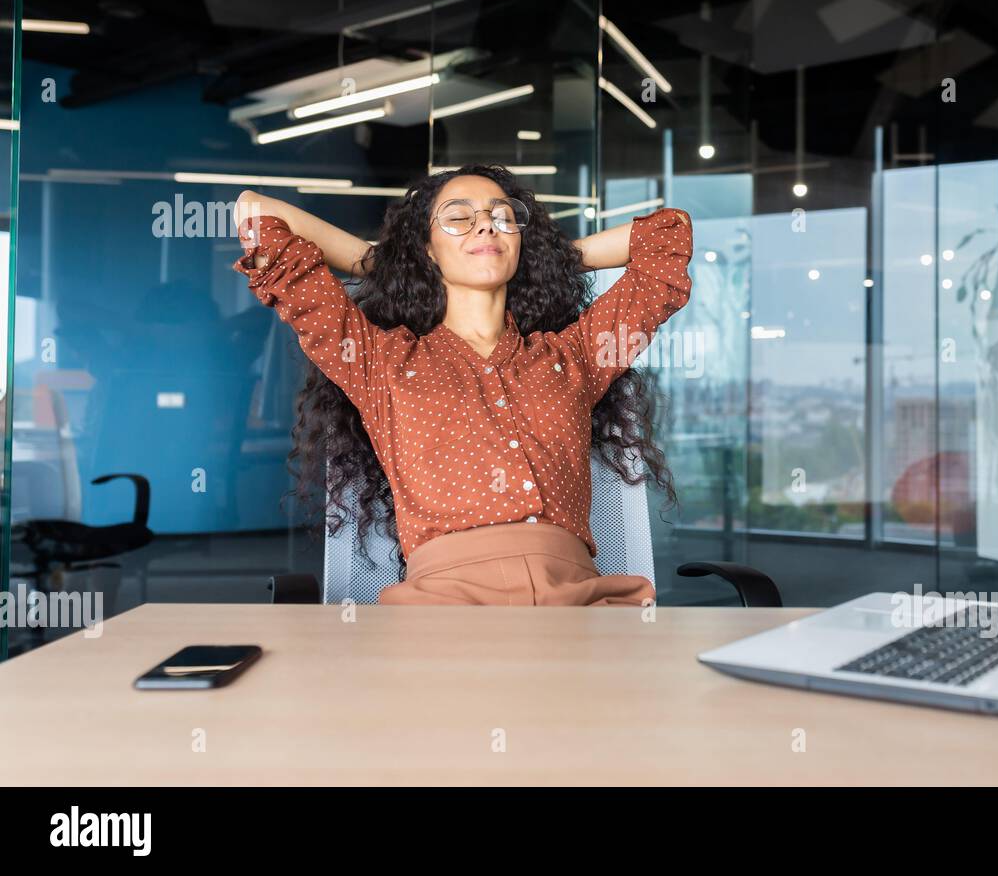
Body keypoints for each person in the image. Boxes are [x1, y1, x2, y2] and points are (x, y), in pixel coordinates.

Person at [232, 164, 691, 606]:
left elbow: (668, 234)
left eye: (502, 218)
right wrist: (388, 264)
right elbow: (255, 212)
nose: (485, 228)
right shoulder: (377, 361)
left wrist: (544, 258)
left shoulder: (576, 355)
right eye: (458, 219)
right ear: (428, 249)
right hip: (442, 609)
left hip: (576, 602)